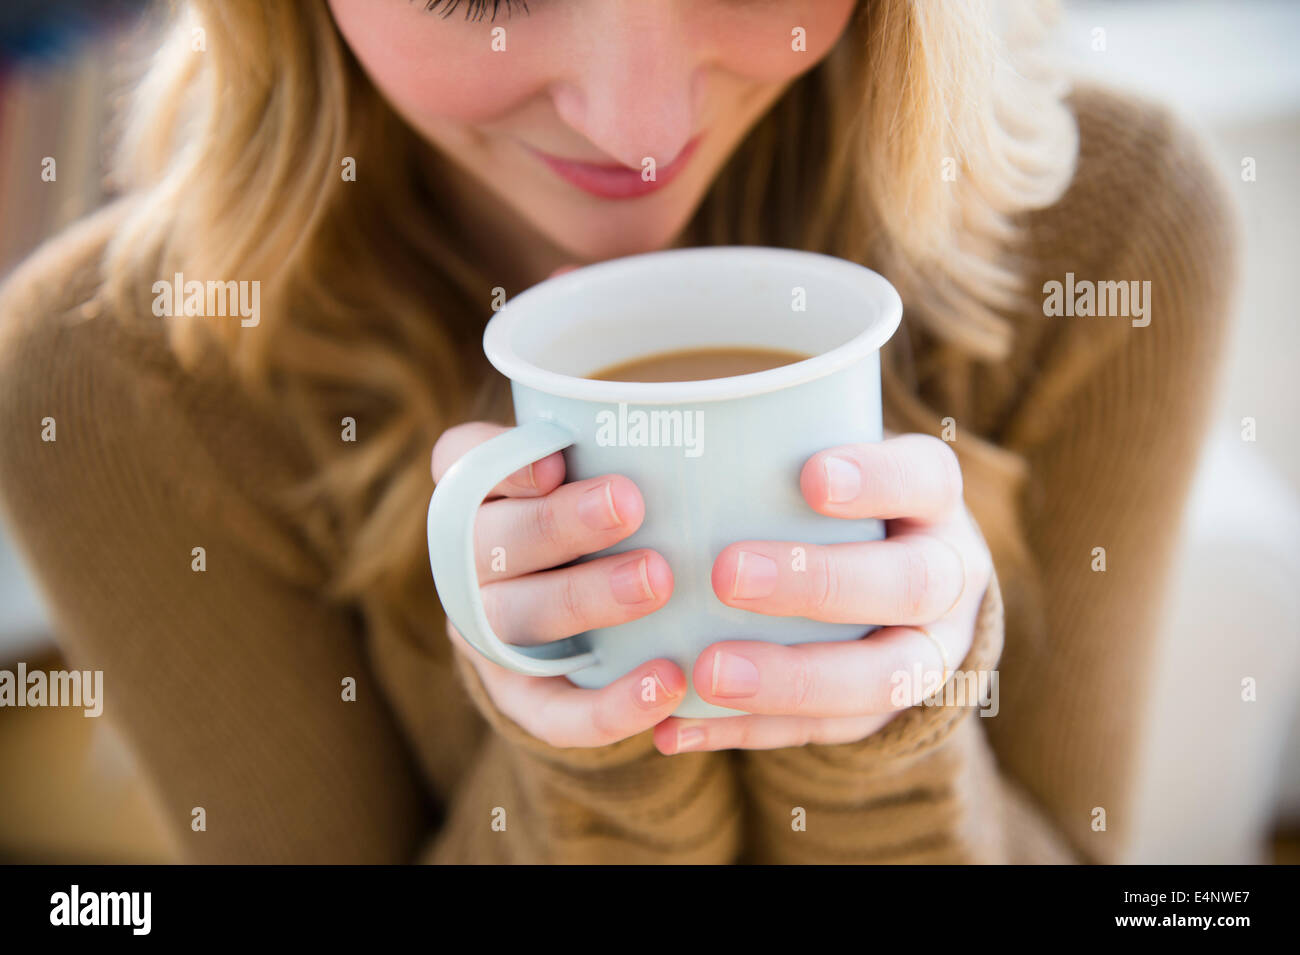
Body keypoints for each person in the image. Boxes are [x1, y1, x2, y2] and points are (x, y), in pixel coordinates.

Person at [0, 0, 1236, 863]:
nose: (634, 122)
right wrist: (590, 756)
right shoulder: (108, 376)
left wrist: (889, 736)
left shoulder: (1106, 230)